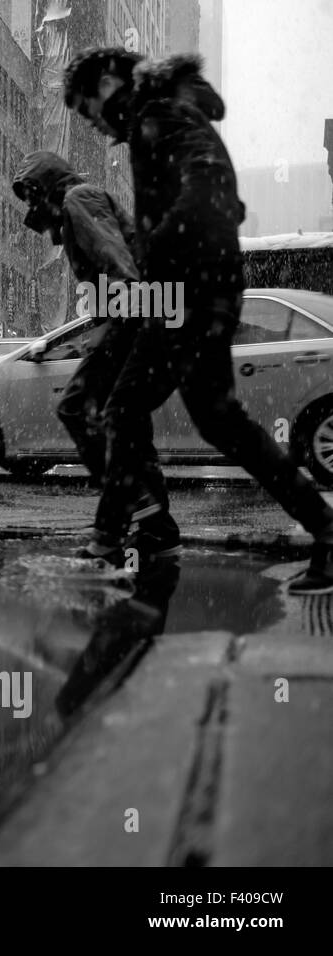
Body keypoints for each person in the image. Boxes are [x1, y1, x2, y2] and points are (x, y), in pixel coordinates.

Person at [63, 49, 333, 594]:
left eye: (86, 106)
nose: (91, 121)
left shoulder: (158, 113)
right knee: (218, 420)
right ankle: (326, 531)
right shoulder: (159, 114)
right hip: (199, 286)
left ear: (109, 81)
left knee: (124, 406)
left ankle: (109, 539)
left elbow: (210, 183)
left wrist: (161, 254)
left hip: (189, 289)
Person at [11, 152, 164, 518]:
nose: (31, 204)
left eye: (32, 194)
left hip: (133, 313)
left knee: (76, 406)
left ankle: (129, 501)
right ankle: (150, 526)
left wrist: (125, 291)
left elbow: (109, 248)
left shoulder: (79, 198)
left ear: (46, 185)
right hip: (137, 314)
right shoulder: (72, 207)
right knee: (130, 428)